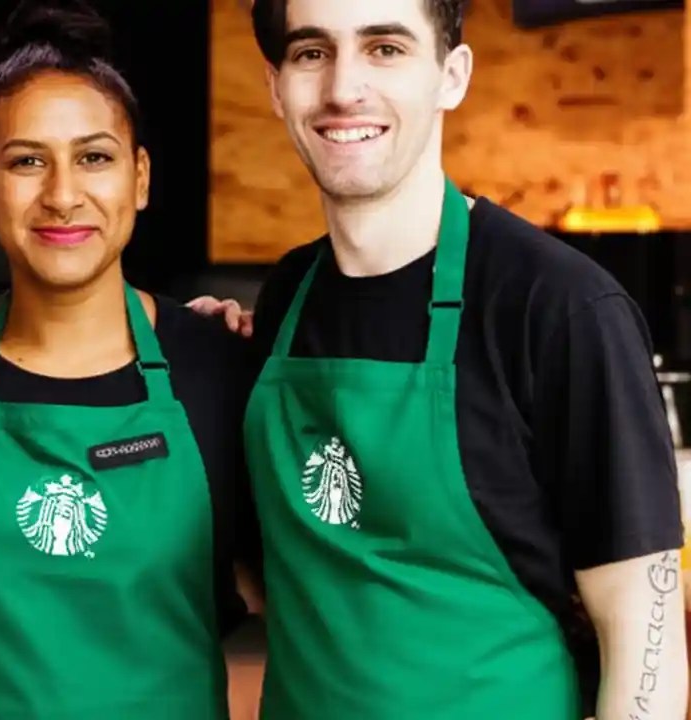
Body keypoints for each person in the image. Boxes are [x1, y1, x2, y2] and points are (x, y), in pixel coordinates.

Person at [191, 0, 688, 718]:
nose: (342, 88)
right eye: (311, 53)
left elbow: (644, 635)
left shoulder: (560, 309)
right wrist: (204, 375)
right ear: (275, 87)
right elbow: (287, 583)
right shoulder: (285, 299)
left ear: (451, 76)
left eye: (385, 49)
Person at [0, 1, 261, 717]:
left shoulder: (220, 368)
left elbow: (309, 593)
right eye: (27, 161)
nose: (63, 196)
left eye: (94, 157)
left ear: (140, 178)